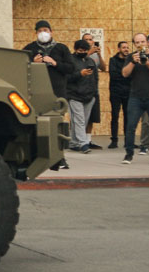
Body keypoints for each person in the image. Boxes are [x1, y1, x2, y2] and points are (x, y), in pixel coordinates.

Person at [23, 20, 74, 169]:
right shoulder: (30, 48)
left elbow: (70, 68)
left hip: (57, 93)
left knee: (57, 126)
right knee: (36, 125)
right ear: (36, 33)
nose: (43, 33)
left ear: (51, 32)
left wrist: (55, 63)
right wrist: (32, 62)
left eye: (45, 30)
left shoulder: (61, 48)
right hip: (37, 93)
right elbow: (20, 67)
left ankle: (59, 158)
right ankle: (36, 156)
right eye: (39, 31)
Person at [121, 33, 149, 166]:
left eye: (142, 42)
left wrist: (147, 63)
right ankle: (129, 154)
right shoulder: (131, 56)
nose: (140, 44)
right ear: (134, 44)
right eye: (137, 42)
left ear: (147, 42)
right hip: (135, 97)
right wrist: (133, 62)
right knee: (130, 127)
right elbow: (124, 73)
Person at [65, 39, 99, 153]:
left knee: (81, 120)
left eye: (85, 50)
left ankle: (74, 142)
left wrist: (94, 93)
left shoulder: (90, 60)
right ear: (75, 49)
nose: (82, 52)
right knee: (79, 120)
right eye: (80, 50)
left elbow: (95, 78)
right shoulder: (69, 60)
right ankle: (83, 143)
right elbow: (66, 78)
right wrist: (80, 74)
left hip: (89, 96)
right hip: (74, 95)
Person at [105, 40, 132, 149]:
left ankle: (127, 140)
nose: (126, 49)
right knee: (115, 116)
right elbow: (114, 75)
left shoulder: (130, 61)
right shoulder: (113, 60)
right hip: (116, 92)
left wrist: (125, 74)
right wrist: (125, 74)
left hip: (128, 92)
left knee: (128, 117)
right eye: (124, 47)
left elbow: (132, 75)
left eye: (127, 47)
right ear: (119, 49)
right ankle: (114, 140)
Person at [81, 33, 104, 147]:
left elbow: (104, 68)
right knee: (82, 117)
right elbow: (76, 64)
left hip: (94, 89)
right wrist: (88, 53)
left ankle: (88, 140)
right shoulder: (79, 54)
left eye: (90, 39)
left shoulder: (95, 55)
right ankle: (80, 140)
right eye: (86, 40)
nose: (89, 41)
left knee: (92, 116)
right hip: (81, 90)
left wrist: (99, 55)